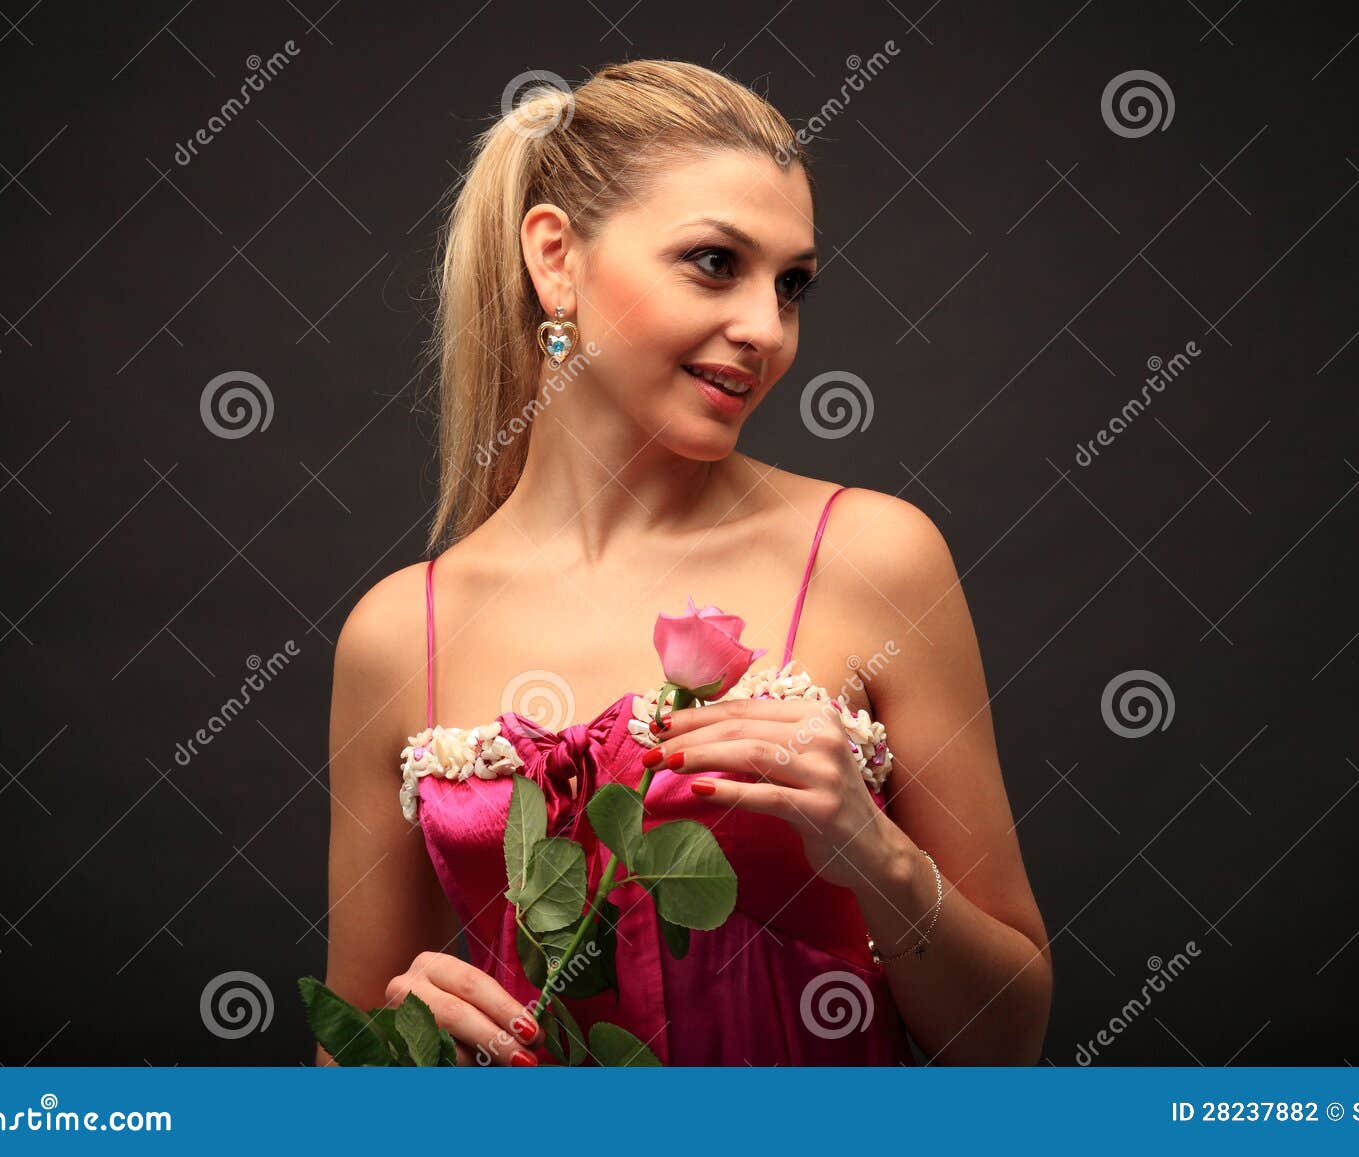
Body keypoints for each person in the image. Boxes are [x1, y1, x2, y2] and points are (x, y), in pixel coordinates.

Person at [317, 59, 1050, 1066]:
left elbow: (1006, 1039)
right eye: (715, 262)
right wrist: (400, 1044)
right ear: (555, 260)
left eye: (790, 284)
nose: (765, 329)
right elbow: (340, 1079)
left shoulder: (875, 555)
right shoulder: (402, 630)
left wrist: (876, 855)